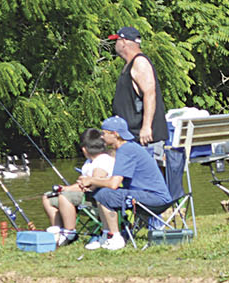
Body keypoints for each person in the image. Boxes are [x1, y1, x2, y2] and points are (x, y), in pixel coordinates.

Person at [79, 116, 173, 251]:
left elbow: (114, 184)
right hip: (147, 194)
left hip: (155, 198)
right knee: (101, 192)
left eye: (104, 133)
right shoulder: (128, 148)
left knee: (104, 194)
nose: (101, 137)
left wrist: (91, 180)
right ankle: (106, 235)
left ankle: (115, 237)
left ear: (115, 134)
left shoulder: (126, 150)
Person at [43, 127, 114, 246]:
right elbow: (82, 184)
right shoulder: (89, 162)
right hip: (85, 195)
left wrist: (68, 191)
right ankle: (57, 230)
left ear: (84, 149)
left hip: (96, 200)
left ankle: (70, 232)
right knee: (47, 197)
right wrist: (65, 188)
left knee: (64, 197)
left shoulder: (103, 160)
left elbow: (92, 184)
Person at [107, 26, 170, 159]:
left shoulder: (140, 62)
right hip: (132, 138)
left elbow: (150, 93)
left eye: (116, 41)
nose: (115, 45)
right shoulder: (129, 64)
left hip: (144, 139)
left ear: (123, 42)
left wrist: (146, 127)